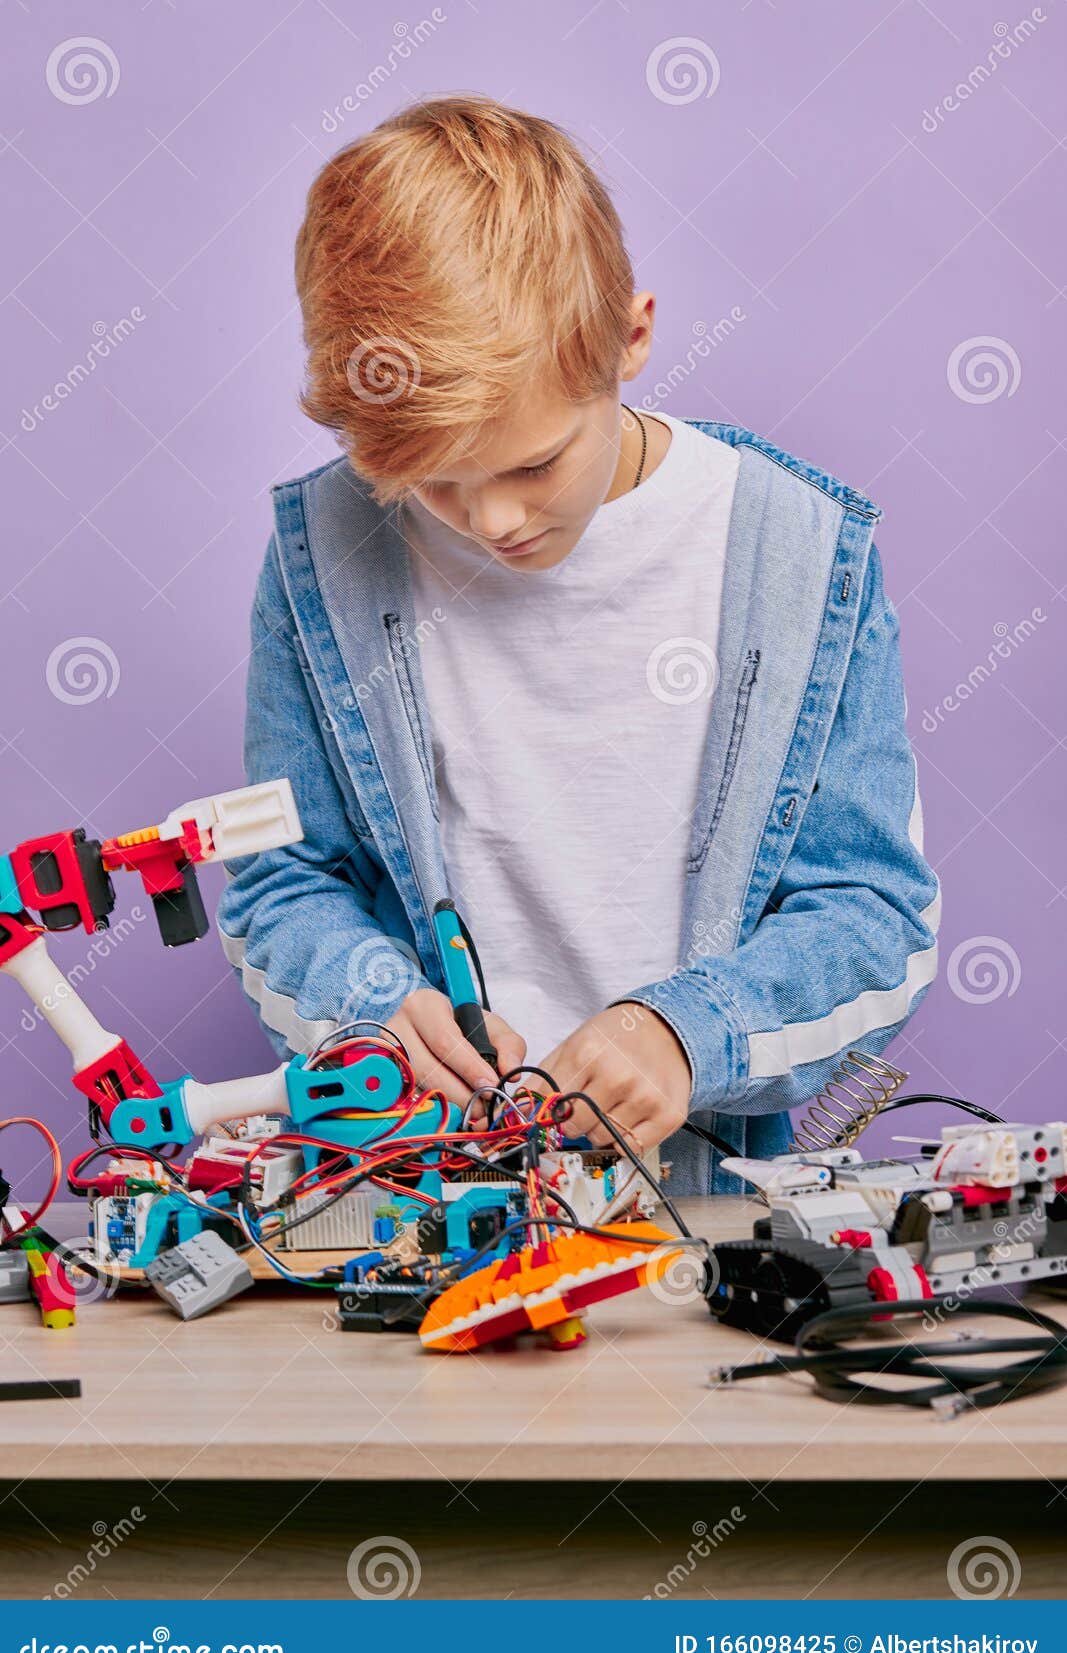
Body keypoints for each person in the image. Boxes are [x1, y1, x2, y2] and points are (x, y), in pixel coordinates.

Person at [217, 95, 940, 1193]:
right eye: (430, 484)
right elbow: (283, 886)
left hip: (699, 1220)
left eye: (530, 464)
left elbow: (875, 918)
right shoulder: (322, 552)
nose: (492, 522)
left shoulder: (799, 552)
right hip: (419, 1202)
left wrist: (686, 1033)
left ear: (631, 336)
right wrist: (370, 1011)